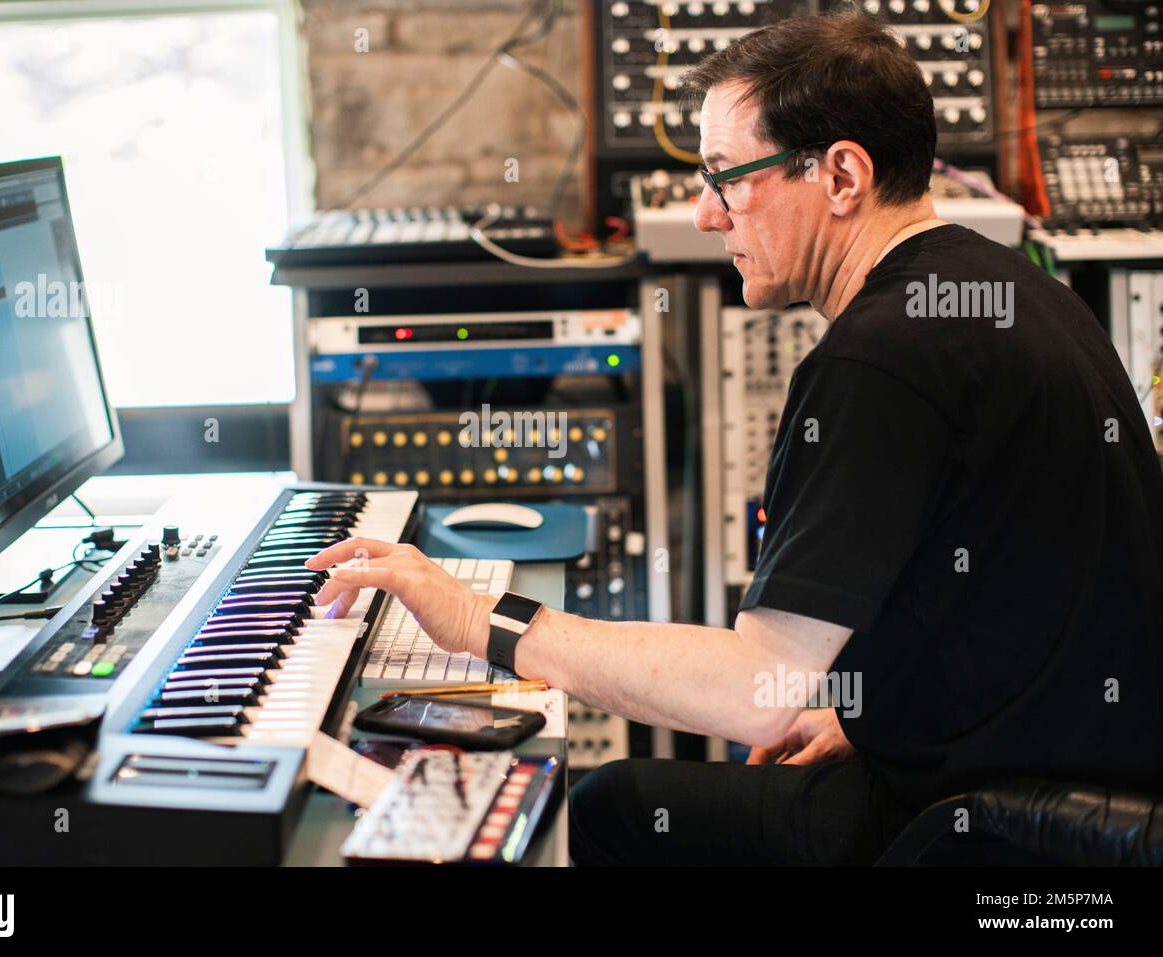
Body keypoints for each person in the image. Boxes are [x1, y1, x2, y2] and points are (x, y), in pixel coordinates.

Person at [307, 12, 1163, 865]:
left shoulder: (881, 357)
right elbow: (1028, 606)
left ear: (842, 176)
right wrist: (872, 715)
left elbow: (757, 692)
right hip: (1074, 798)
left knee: (613, 805)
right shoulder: (1007, 288)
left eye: (725, 176)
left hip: (997, 835)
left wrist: (479, 618)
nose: (706, 215)